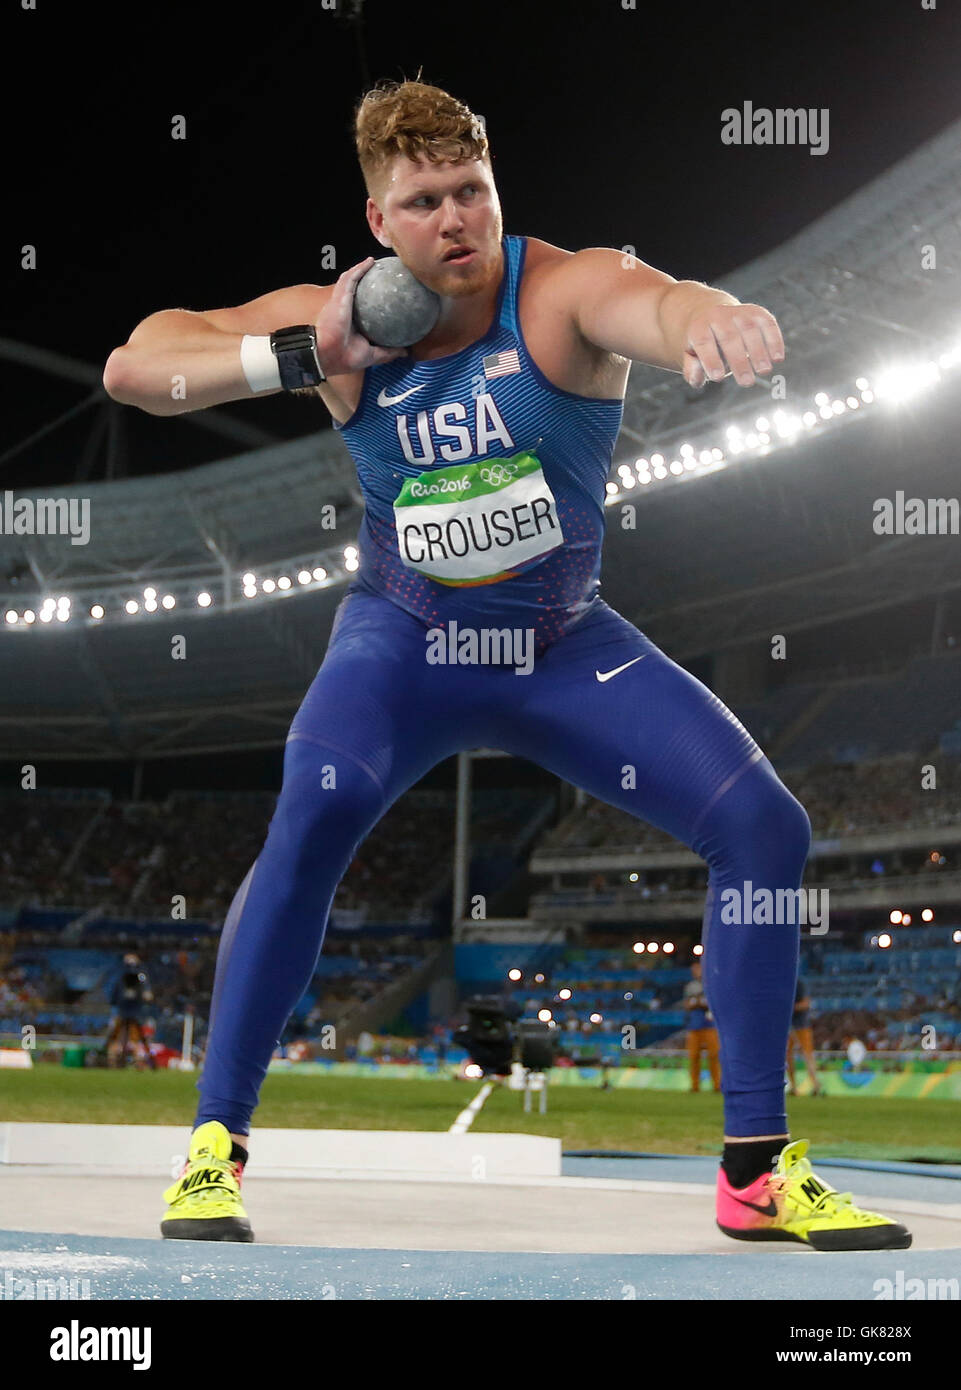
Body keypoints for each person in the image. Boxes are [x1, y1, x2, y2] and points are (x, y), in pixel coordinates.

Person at [104, 78, 910, 1251]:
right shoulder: (337, 328)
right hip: (401, 642)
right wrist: (301, 353)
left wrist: (708, 320)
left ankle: (754, 1171)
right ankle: (214, 1149)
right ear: (378, 222)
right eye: (424, 200)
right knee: (313, 806)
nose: (456, 220)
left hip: (558, 647)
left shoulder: (558, 293)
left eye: (471, 190)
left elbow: (655, 300)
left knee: (768, 830)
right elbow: (136, 365)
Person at [105, 953, 156, 1070]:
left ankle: (139, 1063)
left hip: (134, 1011)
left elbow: (146, 989)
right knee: (117, 1038)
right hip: (121, 1010)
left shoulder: (141, 976)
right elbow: (114, 993)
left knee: (135, 1038)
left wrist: (146, 993)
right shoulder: (119, 976)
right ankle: (112, 1062)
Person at [682, 959, 721, 1092]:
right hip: (694, 1025)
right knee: (693, 1057)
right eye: (694, 970)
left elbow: (713, 1003)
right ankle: (694, 1085)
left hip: (710, 1025)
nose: (696, 972)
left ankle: (717, 1085)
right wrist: (698, 1003)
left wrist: (697, 1003)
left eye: (698, 969)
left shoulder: (712, 984)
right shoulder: (690, 986)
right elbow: (687, 1005)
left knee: (714, 1056)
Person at [786, 973, 823, 1096]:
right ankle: (793, 1087)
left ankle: (816, 1085)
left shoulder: (799, 984)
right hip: (788, 1026)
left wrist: (789, 1007)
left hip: (801, 1026)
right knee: (788, 1057)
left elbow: (806, 1003)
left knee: (807, 1056)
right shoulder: (784, 983)